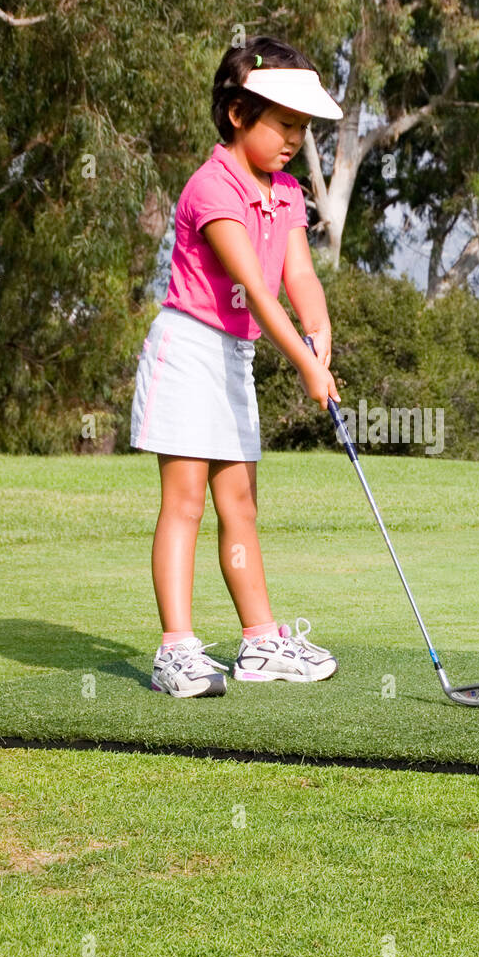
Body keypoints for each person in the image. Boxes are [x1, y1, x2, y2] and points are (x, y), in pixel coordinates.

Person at [130, 35, 343, 698]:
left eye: (301, 129)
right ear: (237, 115)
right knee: (186, 501)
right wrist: (306, 368)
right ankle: (177, 650)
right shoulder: (210, 186)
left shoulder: (285, 193)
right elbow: (254, 285)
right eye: (283, 124)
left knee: (241, 505)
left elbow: (296, 272)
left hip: (235, 356)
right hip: (188, 347)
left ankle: (259, 642)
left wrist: (320, 326)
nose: (292, 140)